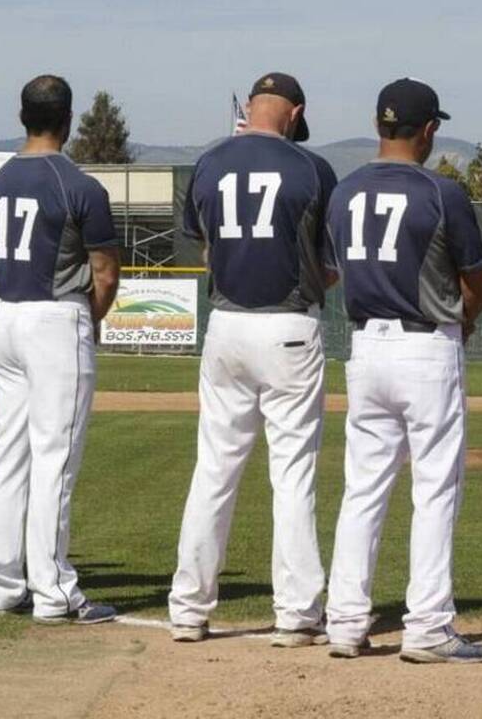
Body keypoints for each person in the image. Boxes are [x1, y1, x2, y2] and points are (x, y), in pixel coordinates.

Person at [324, 78, 482, 663]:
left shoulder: (343, 193)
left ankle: (345, 622)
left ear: (378, 126)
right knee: (434, 490)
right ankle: (428, 627)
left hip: (365, 347)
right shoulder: (442, 192)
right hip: (427, 344)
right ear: (428, 131)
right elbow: (476, 283)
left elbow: (334, 269)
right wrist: (462, 323)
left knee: (362, 490)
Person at [168, 72, 337, 647]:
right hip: (288, 324)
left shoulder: (210, 162)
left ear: (251, 107)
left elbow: (208, 245)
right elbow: (329, 262)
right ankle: (295, 614)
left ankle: (189, 609)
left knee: (214, 470)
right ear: (295, 112)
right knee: (291, 475)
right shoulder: (312, 169)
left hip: (225, 323)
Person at [0, 75, 120, 624]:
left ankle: (1, 582)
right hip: (55, 317)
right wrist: (91, 320)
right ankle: (56, 591)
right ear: (69, 119)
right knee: (54, 456)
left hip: (7, 315)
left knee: (9, 453)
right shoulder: (77, 184)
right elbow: (105, 274)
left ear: (22, 117)